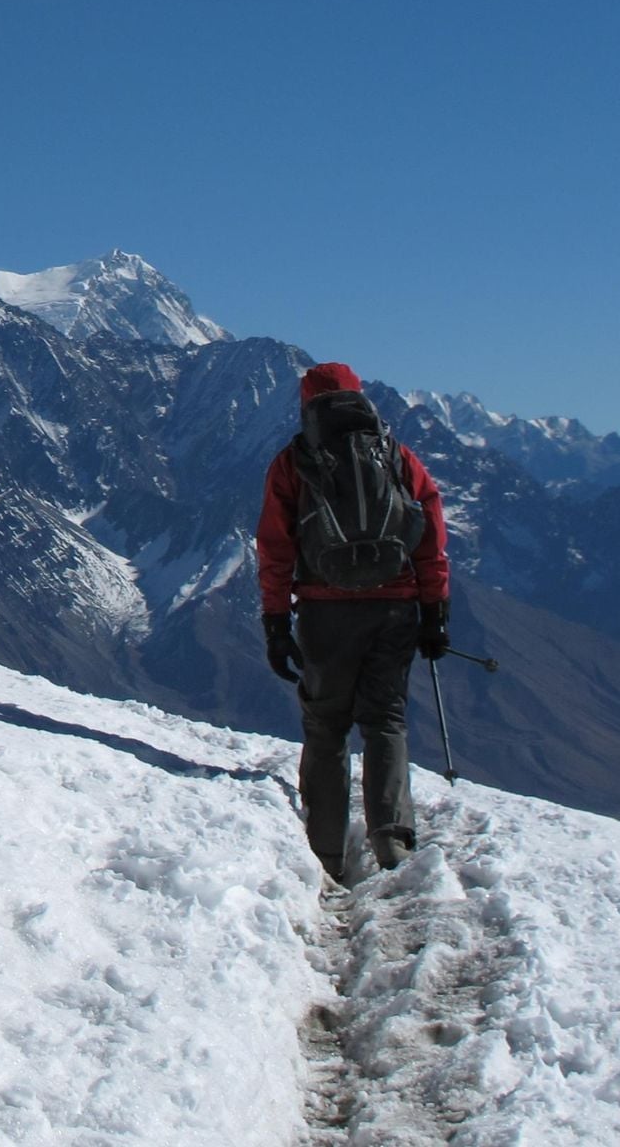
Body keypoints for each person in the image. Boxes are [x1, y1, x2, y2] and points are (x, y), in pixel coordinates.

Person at [257, 361, 450, 880]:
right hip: (395, 606)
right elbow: (430, 531)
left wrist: (276, 622)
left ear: (307, 404)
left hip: (325, 610)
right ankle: (392, 838)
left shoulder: (295, 461)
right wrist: (435, 609)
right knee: (385, 719)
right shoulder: (394, 454)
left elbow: (275, 547)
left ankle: (326, 850)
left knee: (327, 726)